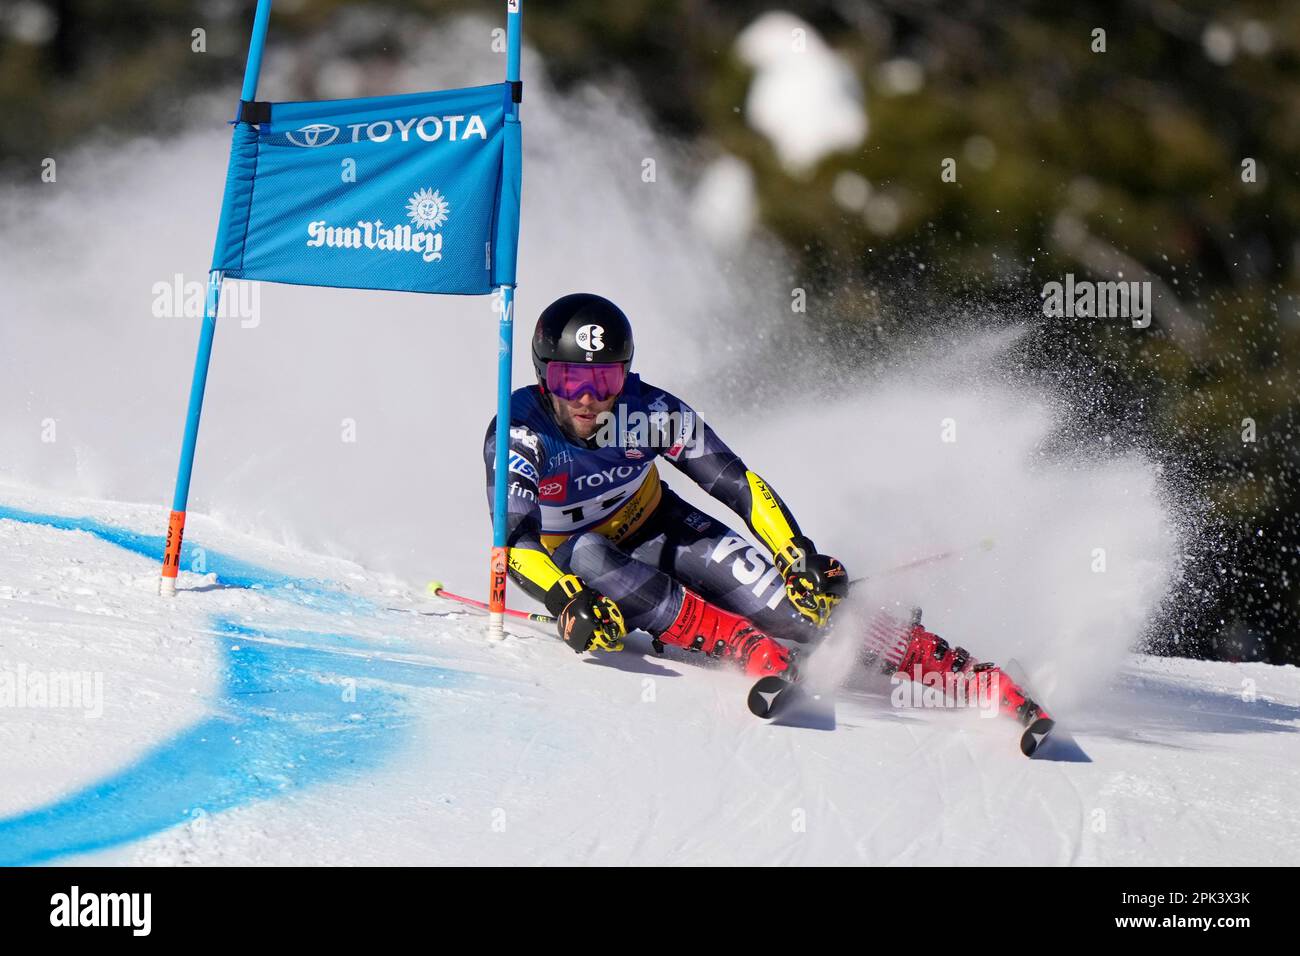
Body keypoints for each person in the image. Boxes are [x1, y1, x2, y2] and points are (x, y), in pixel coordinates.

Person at [483, 292, 848, 678]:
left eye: (604, 380)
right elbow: (515, 542)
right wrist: (565, 598)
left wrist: (795, 554)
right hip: (572, 567)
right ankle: (741, 643)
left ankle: (904, 648)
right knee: (588, 551)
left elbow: (735, 483)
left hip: (660, 526)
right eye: (569, 381)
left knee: (795, 614)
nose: (587, 399)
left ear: (624, 376)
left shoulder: (651, 412)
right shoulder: (520, 432)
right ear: (544, 378)